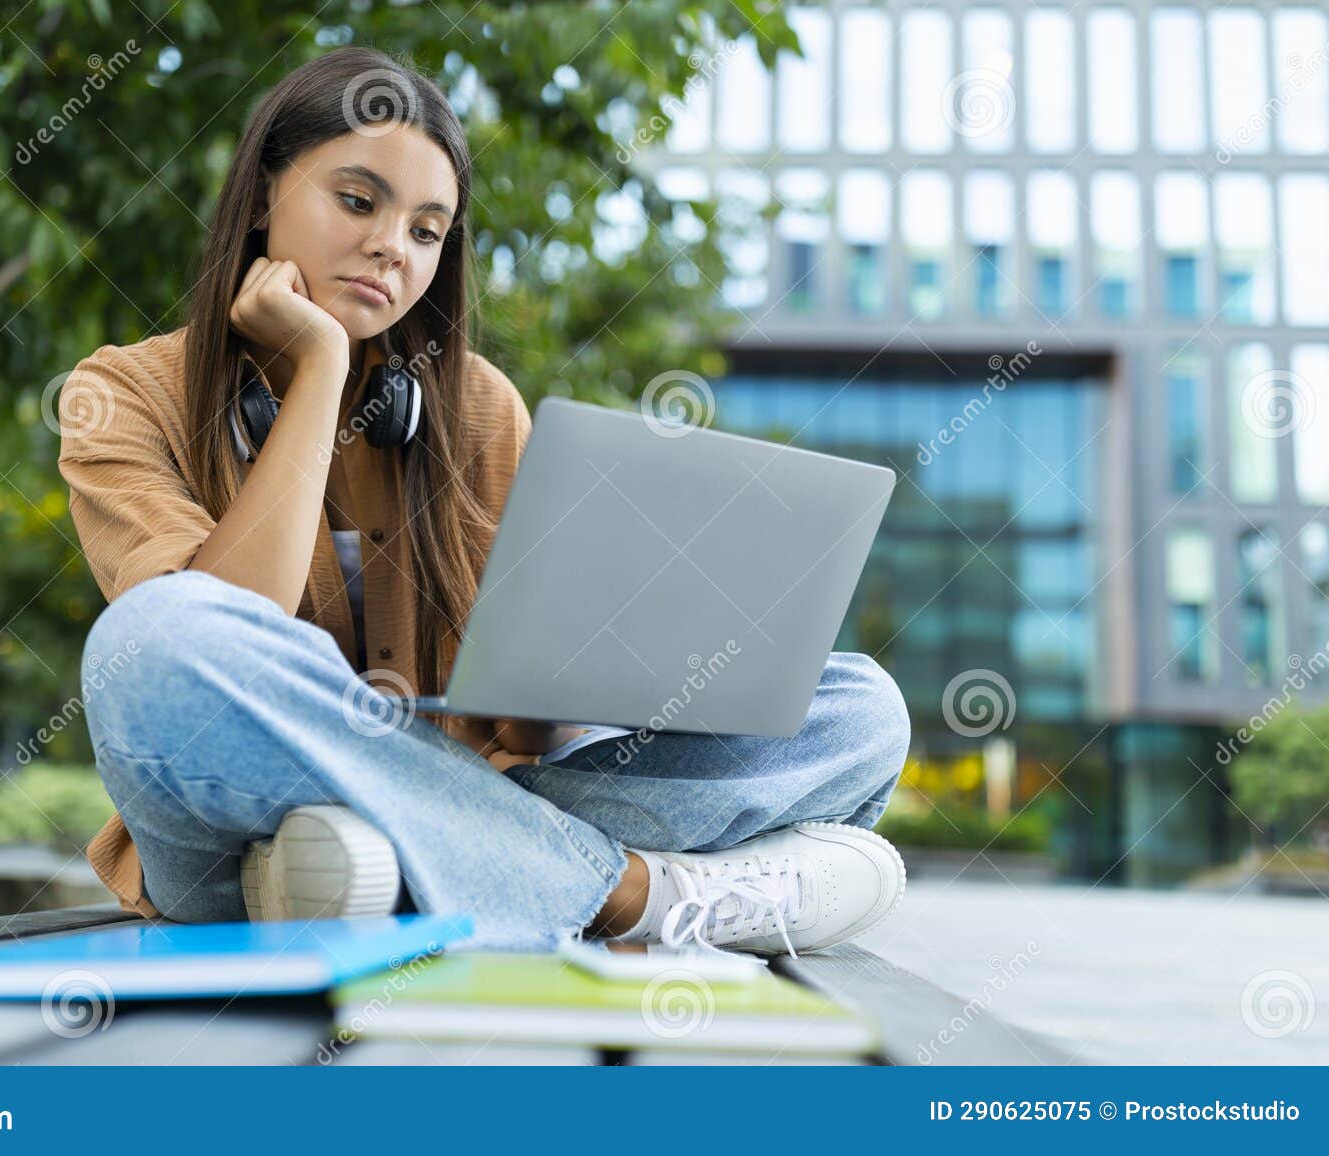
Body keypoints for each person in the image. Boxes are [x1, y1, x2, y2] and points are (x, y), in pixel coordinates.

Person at [60, 46, 911, 957]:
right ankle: (641, 894)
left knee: (860, 706)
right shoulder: (122, 394)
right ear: (266, 192)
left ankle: (372, 874)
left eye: (428, 232)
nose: (394, 245)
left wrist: (579, 669)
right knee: (156, 643)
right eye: (358, 201)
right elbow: (232, 620)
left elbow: (520, 734)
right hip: (229, 828)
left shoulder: (474, 406)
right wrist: (319, 368)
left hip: (492, 798)